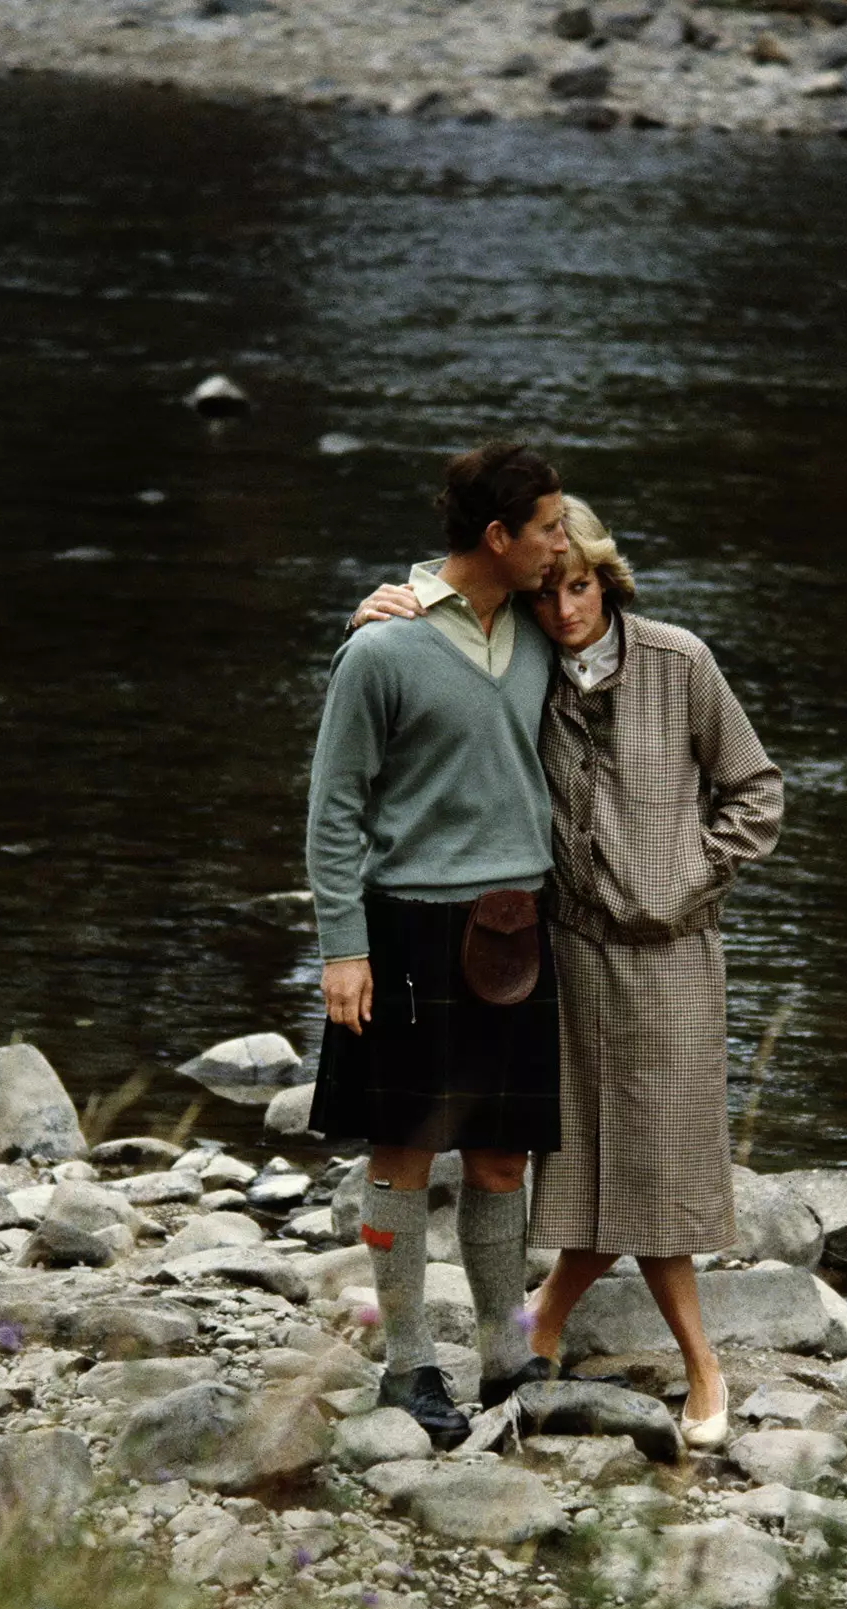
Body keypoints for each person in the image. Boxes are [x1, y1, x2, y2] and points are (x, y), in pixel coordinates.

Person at [351, 496, 783, 1449]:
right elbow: (454, 638)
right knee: (581, 1163)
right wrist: (392, 605)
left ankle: (696, 1364)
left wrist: (690, 877)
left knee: (662, 1158)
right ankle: (532, 1328)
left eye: (581, 586)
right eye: (549, 594)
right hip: (561, 952)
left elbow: (758, 792)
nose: (567, 610)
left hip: (673, 955)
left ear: (607, 579)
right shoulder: (529, 661)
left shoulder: (681, 661)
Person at [307, 441, 570, 1450]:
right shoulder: (380, 650)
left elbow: (606, 588)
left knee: (501, 1157)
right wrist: (341, 946)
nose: (557, 542)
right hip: (406, 924)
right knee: (403, 1152)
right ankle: (405, 1361)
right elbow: (334, 810)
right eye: (543, 526)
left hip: (515, 924)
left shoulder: (547, 626)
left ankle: (507, 1354)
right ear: (496, 536)